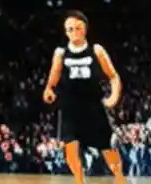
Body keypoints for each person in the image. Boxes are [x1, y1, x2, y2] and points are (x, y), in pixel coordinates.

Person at [41, 11, 126, 184]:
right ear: (66, 32)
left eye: (77, 28)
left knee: (106, 147)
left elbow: (114, 76)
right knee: (70, 147)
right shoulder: (60, 53)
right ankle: (79, 181)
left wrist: (113, 96)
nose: (74, 32)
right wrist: (49, 90)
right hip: (70, 106)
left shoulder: (96, 50)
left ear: (85, 29)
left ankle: (119, 178)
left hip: (93, 104)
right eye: (70, 29)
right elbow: (52, 80)